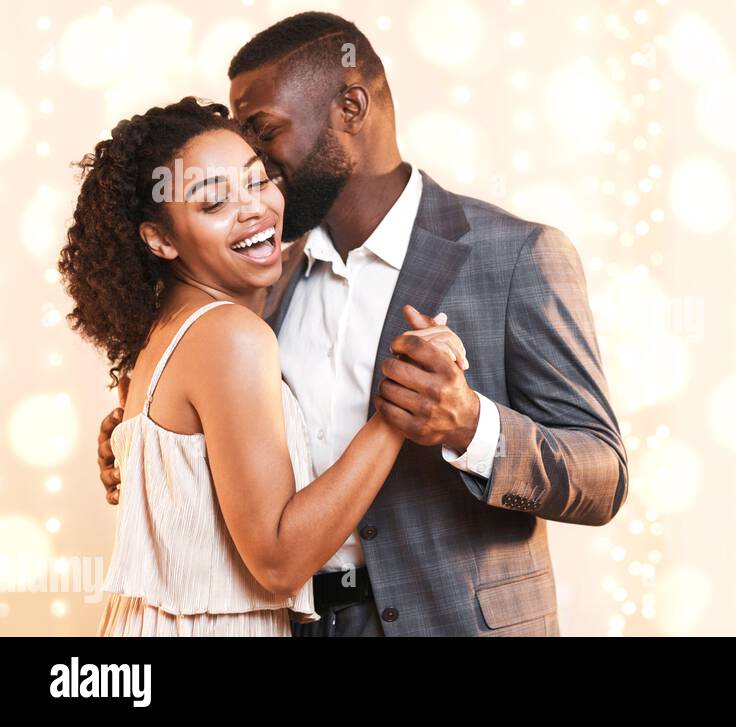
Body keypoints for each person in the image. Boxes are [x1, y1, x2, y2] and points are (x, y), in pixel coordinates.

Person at [95, 12, 628, 636]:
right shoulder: (261, 266)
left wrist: (471, 426)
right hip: (298, 619)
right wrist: (156, 440)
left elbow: (604, 474)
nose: (256, 163)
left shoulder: (515, 256)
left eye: (264, 133)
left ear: (350, 107)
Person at [60, 97, 468, 636]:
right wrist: (400, 409)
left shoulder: (165, 330)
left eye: (258, 181)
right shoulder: (230, 334)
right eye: (213, 203)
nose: (254, 209)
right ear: (159, 239)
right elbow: (278, 563)